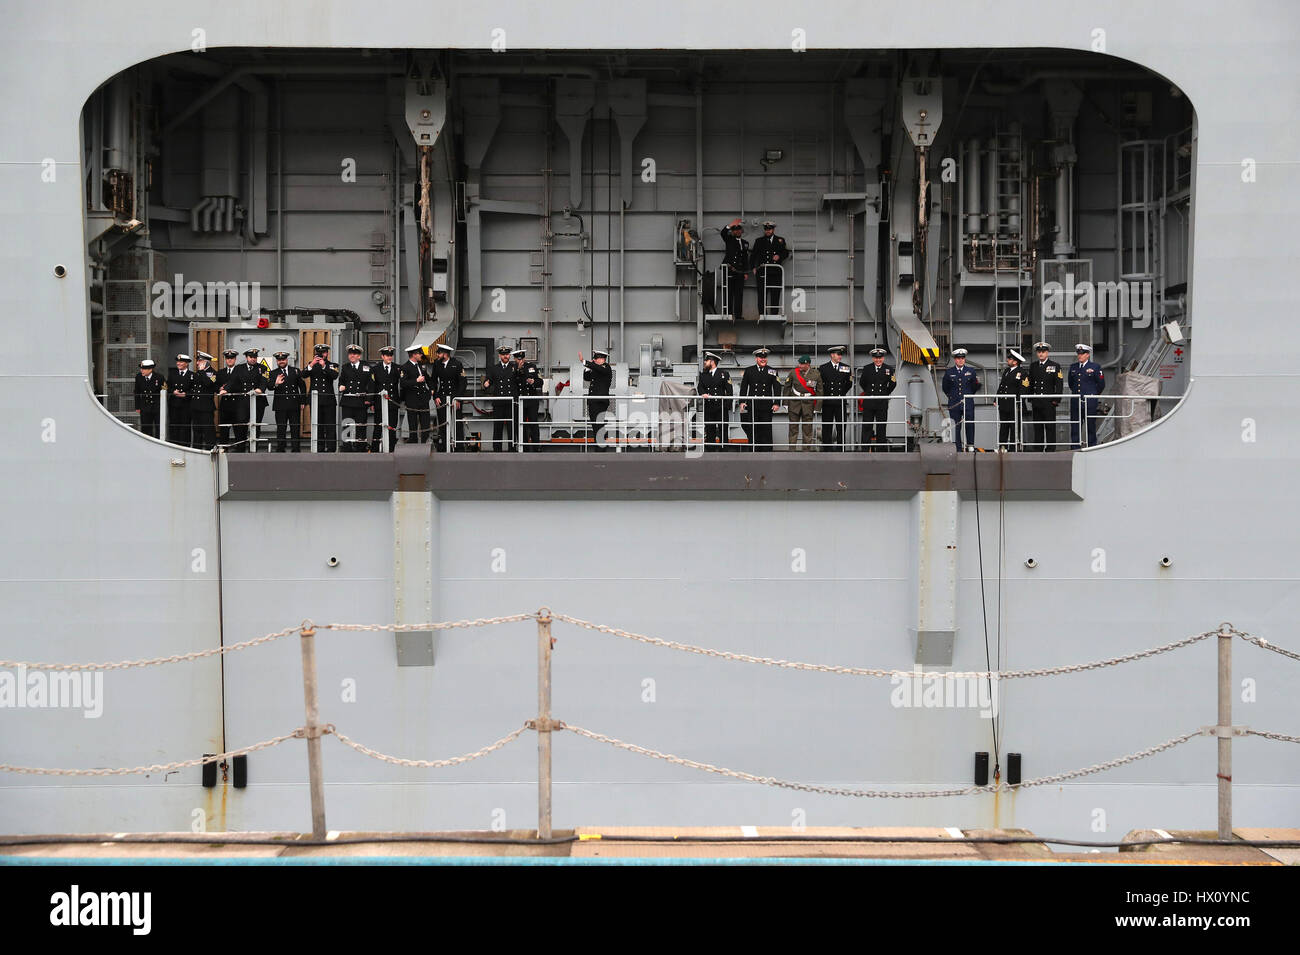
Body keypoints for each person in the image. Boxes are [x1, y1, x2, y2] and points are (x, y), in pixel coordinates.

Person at [738, 347, 780, 451]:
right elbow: (744, 387)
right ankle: (754, 450)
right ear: (756, 358)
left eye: (765, 357)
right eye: (761, 357)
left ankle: (767, 451)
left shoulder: (772, 371)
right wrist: (742, 401)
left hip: (766, 406)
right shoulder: (749, 370)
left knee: (766, 429)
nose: (763, 359)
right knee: (753, 429)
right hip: (753, 405)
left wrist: (777, 403)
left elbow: (777, 387)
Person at [941, 348, 982, 451]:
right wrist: (952, 397)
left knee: (970, 424)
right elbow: (945, 387)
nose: (960, 360)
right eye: (958, 358)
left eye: (962, 358)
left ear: (964, 359)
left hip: (967, 403)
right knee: (956, 426)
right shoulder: (949, 372)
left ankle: (970, 445)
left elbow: (974, 386)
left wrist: (968, 396)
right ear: (955, 360)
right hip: (954, 403)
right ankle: (957, 447)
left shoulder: (971, 371)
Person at [302, 343, 339, 452]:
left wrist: (324, 366)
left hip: (328, 401)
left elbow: (334, 376)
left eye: (323, 352)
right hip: (315, 401)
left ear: (327, 353)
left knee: (330, 426)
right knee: (317, 426)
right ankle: (319, 448)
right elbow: (303, 374)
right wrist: (312, 364)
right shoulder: (312, 365)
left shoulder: (332, 365)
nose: (321, 354)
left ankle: (331, 448)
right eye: (318, 353)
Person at [858, 347, 897, 451]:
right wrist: (870, 393)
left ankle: (881, 449)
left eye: (880, 358)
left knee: (881, 427)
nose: (878, 360)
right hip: (869, 402)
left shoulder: (889, 369)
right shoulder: (867, 368)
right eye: (876, 358)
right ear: (873, 358)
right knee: (867, 426)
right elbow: (862, 383)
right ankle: (865, 449)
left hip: (881, 402)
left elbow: (893, 383)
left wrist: (885, 393)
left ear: (883, 358)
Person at [1027, 341, 1063, 452]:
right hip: (1037, 401)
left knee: (1050, 426)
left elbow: (1059, 384)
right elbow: (1030, 383)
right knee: (1038, 426)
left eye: (1043, 351)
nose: (1041, 354)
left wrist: (1056, 400)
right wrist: (1030, 398)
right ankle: (1038, 447)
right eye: (1039, 352)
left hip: (1049, 402)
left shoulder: (1055, 366)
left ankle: (1051, 448)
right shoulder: (1033, 366)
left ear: (1047, 352)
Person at [337, 344, 375, 452]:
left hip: (361, 401)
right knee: (347, 424)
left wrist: (369, 400)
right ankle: (347, 447)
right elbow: (341, 381)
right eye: (350, 354)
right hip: (348, 400)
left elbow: (371, 385)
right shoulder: (345, 367)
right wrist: (340, 386)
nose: (352, 356)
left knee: (361, 425)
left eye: (354, 354)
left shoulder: (366, 367)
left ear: (359, 356)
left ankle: (360, 447)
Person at [1068, 344, 1106, 449]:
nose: (1080, 356)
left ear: (1087, 355)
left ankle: (1091, 445)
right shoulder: (1073, 367)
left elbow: (1101, 384)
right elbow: (1072, 384)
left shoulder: (1095, 367)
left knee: (1090, 424)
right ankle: (1075, 447)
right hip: (1076, 401)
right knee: (1075, 425)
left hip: (1090, 401)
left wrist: (1093, 395)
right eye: (1078, 354)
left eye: (1082, 354)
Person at [750, 220, 791, 315]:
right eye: (766, 229)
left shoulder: (780, 240)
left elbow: (786, 252)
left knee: (775, 294)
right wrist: (753, 267)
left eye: (770, 229)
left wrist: (779, 256)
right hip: (762, 272)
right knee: (761, 295)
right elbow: (753, 256)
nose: (768, 231)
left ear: (773, 229)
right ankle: (762, 314)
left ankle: (774, 315)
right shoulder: (759, 241)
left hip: (775, 273)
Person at [431, 342, 466, 450]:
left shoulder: (457, 364)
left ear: (445, 354)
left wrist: (458, 399)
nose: (437, 355)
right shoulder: (437, 364)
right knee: (442, 422)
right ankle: (445, 445)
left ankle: (459, 445)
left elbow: (463, 383)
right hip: (441, 397)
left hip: (455, 397)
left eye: (439, 353)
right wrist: (435, 396)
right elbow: (433, 381)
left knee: (457, 422)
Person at [783, 354, 821, 451]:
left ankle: (806, 450)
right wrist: (785, 402)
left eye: (801, 364)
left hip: (808, 403)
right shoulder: (793, 372)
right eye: (799, 364)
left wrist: (817, 407)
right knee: (793, 428)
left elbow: (820, 391)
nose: (799, 366)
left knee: (807, 428)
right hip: (794, 402)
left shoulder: (816, 374)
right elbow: (787, 387)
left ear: (807, 364)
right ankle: (792, 449)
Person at [818, 346, 853, 451]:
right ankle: (827, 448)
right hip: (827, 402)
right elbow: (820, 385)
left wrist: (841, 393)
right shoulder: (823, 368)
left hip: (840, 402)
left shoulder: (846, 368)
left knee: (841, 427)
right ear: (832, 355)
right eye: (838, 354)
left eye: (841, 354)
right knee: (827, 426)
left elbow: (849, 383)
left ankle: (840, 448)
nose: (840, 356)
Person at [483, 345, 518, 451]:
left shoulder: (514, 367)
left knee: (512, 427)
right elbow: (489, 379)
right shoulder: (494, 368)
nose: (505, 356)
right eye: (503, 355)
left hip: (511, 402)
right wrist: (486, 383)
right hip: (499, 402)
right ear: (499, 356)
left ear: (510, 356)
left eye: (507, 354)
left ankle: (512, 448)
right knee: (498, 427)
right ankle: (496, 449)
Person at [269, 351, 304, 452]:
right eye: (279, 360)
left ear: (287, 360)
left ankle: (296, 448)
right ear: (277, 361)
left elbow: (302, 386)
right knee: (281, 428)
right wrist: (276, 383)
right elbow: (269, 386)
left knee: (295, 428)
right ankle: (280, 448)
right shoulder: (273, 373)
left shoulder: (295, 371)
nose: (281, 361)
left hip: (294, 404)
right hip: (280, 405)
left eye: (283, 359)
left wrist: (302, 401)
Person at [696, 351, 732, 451]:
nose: (704, 362)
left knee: (723, 428)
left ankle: (723, 448)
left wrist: (726, 406)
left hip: (721, 407)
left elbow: (729, 391)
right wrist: (703, 393)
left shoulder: (724, 374)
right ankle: (710, 448)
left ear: (712, 362)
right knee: (709, 428)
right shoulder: (704, 375)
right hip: (709, 406)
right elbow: (700, 387)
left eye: (706, 361)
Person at [995, 349, 1029, 451]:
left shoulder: (1022, 373)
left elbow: (1024, 389)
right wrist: (996, 398)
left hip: (1014, 405)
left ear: (1015, 361)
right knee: (1004, 426)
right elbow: (1002, 386)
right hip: (1004, 404)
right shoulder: (1006, 371)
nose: (1007, 360)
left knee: (1014, 427)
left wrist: (1019, 402)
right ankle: (1002, 447)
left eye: (1010, 358)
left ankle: (1013, 448)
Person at [580, 348, 613, 450]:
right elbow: (587, 377)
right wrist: (588, 368)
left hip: (600, 401)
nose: (595, 360)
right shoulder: (596, 369)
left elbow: (600, 370)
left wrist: (586, 362)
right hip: (593, 401)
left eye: (597, 358)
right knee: (595, 424)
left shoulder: (606, 368)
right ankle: (598, 446)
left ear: (603, 359)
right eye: (595, 359)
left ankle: (601, 447)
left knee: (599, 423)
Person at [399, 344, 432, 443]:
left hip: (423, 399)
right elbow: (403, 383)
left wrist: (431, 390)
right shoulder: (405, 367)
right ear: (414, 355)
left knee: (425, 421)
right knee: (412, 422)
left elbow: (428, 379)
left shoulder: (421, 366)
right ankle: (413, 440)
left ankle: (425, 439)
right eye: (419, 353)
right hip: (412, 399)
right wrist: (416, 380)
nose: (421, 355)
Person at [371, 346, 401, 451]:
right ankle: (374, 449)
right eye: (387, 355)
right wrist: (372, 403)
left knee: (392, 427)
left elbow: (402, 383)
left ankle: (391, 449)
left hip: (393, 402)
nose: (389, 357)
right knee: (378, 427)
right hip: (379, 402)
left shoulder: (397, 368)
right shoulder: (375, 369)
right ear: (382, 356)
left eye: (391, 355)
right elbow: (373, 386)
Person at [719, 219, 750, 321]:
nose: (737, 231)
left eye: (738, 229)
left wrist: (745, 272)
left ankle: (738, 315)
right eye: (734, 230)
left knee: (739, 294)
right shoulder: (729, 239)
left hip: (740, 272)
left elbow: (745, 258)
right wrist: (730, 225)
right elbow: (723, 233)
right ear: (732, 231)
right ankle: (728, 313)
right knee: (728, 292)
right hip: (729, 270)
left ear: (742, 231)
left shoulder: (745, 243)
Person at [513, 348, 543, 451]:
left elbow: (540, 381)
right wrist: (517, 370)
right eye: (518, 359)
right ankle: (523, 447)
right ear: (515, 359)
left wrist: (533, 381)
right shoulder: (512, 368)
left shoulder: (532, 367)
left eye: (522, 359)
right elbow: (512, 382)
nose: (520, 361)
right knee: (521, 425)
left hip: (531, 400)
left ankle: (536, 447)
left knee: (533, 423)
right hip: (519, 401)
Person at [190, 351, 218, 450]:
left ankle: (210, 449)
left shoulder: (213, 373)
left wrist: (202, 372)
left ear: (206, 362)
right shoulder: (197, 373)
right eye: (198, 361)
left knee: (208, 431)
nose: (197, 363)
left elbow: (208, 384)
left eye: (200, 361)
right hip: (196, 407)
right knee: (196, 431)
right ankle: (196, 449)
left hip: (206, 407)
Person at [166, 354, 195, 446]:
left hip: (186, 405)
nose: (178, 363)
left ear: (186, 363)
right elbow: (166, 387)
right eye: (177, 362)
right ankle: (174, 445)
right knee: (174, 426)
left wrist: (186, 394)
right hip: (174, 405)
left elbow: (195, 389)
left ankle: (185, 446)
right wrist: (173, 391)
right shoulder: (172, 374)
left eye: (181, 362)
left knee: (185, 426)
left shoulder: (192, 375)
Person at [133, 359, 165, 438]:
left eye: (144, 369)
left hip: (157, 407)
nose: (141, 370)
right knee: (146, 428)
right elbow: (137, 392)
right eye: (141, 368)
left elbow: (164, 391)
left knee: (158, 427)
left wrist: (163, 406)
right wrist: (137, 406)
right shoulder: (139, 377)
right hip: (145, 406)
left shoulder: (159, 377)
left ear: (150, 369)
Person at [214, 349, 240, 446]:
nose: (229, 360)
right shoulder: (220, 372)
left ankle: (239, 448)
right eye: (228, 358)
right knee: (224, 428)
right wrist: (219, 388)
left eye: (232, 358)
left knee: (238, 429)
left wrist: (228, 389)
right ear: (225, 359)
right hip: (225, 404)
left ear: (235, 359)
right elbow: (215, 385)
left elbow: (241, 385)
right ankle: (224, 448)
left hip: (237, 404)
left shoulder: (239, 371)